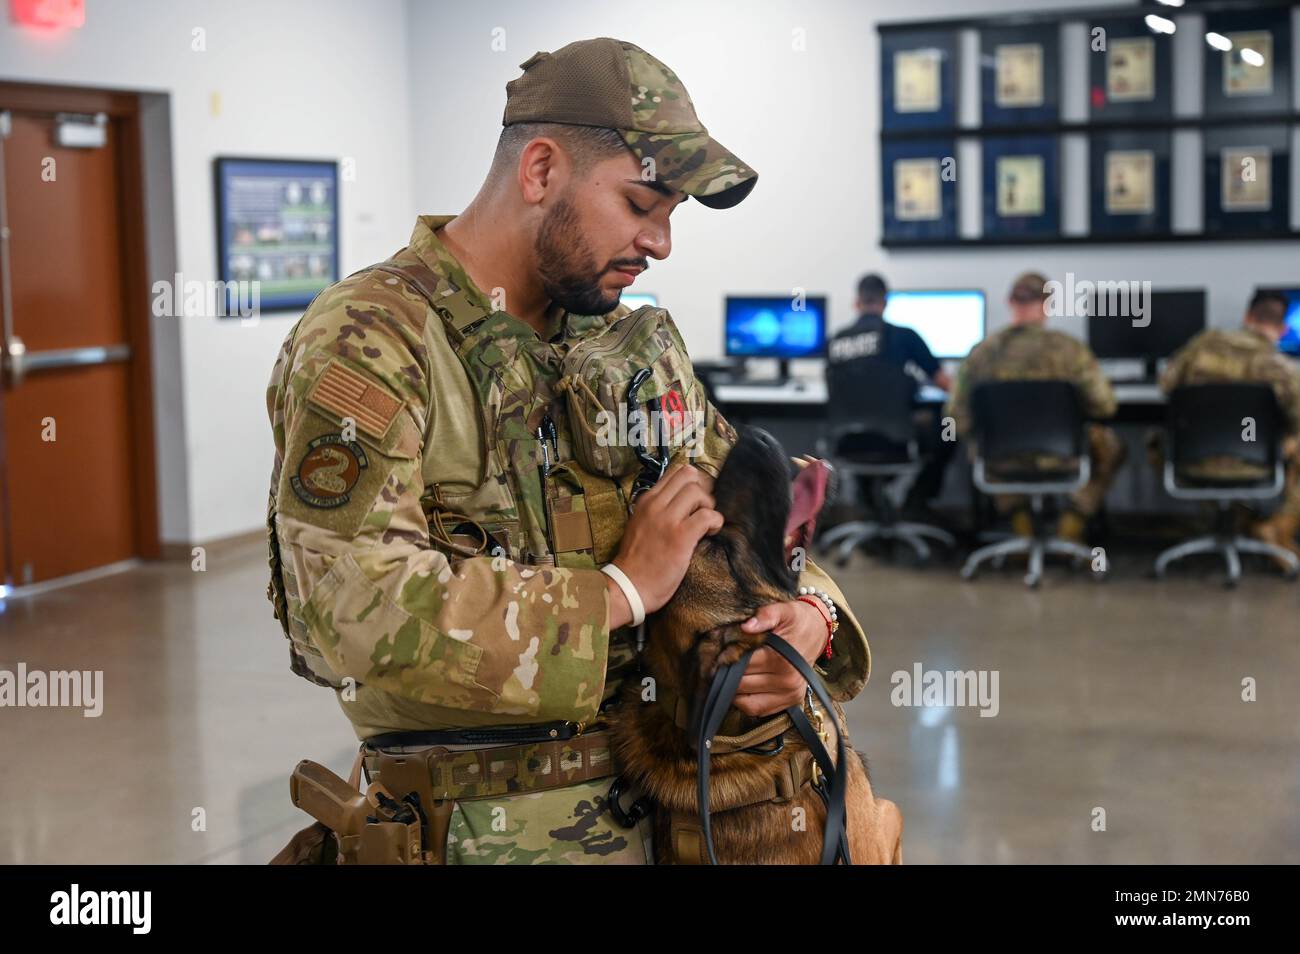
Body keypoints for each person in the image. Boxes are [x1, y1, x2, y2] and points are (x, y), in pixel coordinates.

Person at [264, 37, 871, 864]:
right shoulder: (373, 339)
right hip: (484, 834)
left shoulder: (629, 351)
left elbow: (749, 530)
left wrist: (810, 622)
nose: (660, 243)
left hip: (681, 819)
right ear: (541, 170)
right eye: (640, 204)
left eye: (671, 217)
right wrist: (619, 592)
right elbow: (345, 608)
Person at [946, 271, 1126, 543]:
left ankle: (1021, 526)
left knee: (976, 444)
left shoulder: (980, 354)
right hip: (1063, 456)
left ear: (1010, 302)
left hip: (1000, 459)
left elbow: (955, 418)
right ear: (1049, 304)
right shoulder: (1070, 350)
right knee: (1112, 445)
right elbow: (1105, 406)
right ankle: (1073, 524)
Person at [1157, 290, 1300, 564]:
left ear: (1247, 317)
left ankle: (1233, 520)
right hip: (1256, 463)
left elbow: (1165, 386)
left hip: (1194, 462)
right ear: (1282, 330)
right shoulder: (1282, 368)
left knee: (1155, 439)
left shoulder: (1201, 346)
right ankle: (1277, 526)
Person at [826, 273, 955, 518]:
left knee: (870, 431)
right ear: (886, 302)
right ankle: (915, 502)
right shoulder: (904, 336)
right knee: (950, 429)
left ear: (857, 303)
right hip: (897, 441)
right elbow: (944, 384)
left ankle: (871, 503)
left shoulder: (835, 341)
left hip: (848, 440)